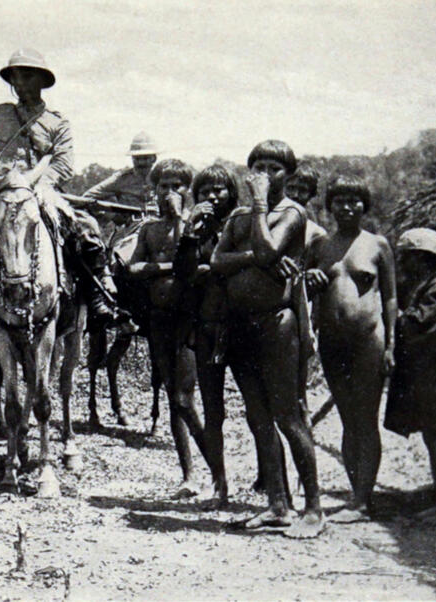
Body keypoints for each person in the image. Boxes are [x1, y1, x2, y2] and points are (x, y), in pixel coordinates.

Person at [0, 48, 118, 361]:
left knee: (84, 230)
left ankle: (95, 297)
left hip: (40, 189)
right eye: (15, 76)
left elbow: (64, 162)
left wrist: (42, 183)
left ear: (41, 80)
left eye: (27, 75)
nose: (20, 82)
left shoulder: (56, 123)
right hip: (0, 190)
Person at [211, 140, 324, 538]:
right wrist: (250, 256)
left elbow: (267, 249)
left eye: (274, 168)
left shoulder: (293, 213)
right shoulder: (238, 217)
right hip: (241, 325)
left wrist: (259, 208)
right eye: (258, 166)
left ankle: (313, 509)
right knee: (257, 416)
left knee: (287, 415)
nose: (264, 174)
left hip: (277, 323)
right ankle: (278, 504)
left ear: (288, 176)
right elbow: (217, 261)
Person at [127, 158, 219, 499]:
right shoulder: (149, 229)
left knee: (184, 397)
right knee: (174, 398)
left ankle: (217, 470)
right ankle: (190, 475)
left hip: (188, 319)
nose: (169, 192)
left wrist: (182, 219)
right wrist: (160, 266)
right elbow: (133, 267)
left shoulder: (196, 224)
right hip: (159, 319)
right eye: (163, 186)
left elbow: (189, 265)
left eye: (177, 186)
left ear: (187, 190)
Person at [306, 176, 396, 522]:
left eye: (353, 200)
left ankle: (361, 501)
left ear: (364, 205)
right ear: (330, 207)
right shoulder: (319, 246)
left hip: (367, 339)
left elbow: (389, 297)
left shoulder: (377, 245)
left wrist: (390, 346)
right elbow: (306, 292)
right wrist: (310, 285)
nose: (346, 207)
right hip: (332, 342)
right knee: (347, 420)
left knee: (366, 419)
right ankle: (357, 495)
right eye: (339, 200)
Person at [385, 228, 436, 524]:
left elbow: (426, 327)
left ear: (422, 259)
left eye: (407, 257)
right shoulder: (429, 286)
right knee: (434, 438)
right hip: (431, 378)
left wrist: (396, 320)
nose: (403, 263)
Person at [176, 164, 242, 508]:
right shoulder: (195, 232)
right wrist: (189, 232)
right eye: (204, 192)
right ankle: (220, 483)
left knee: (260, 406)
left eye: (219, 190)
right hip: (206, 326)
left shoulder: (243, 223)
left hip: (242, 325)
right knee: (213, 409)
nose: (213, 196)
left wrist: (212, 268)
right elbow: (184, 273)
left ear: (232, 193)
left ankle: (274, 485)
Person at [83, 132, 159, 243]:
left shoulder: (161, 178)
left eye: (146, 158)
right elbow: (88, 197)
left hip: (158, 228)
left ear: (154, 159)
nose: (141, 163)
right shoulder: (122, 179)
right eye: (137, 158)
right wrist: (111, 214)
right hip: (130, 231)